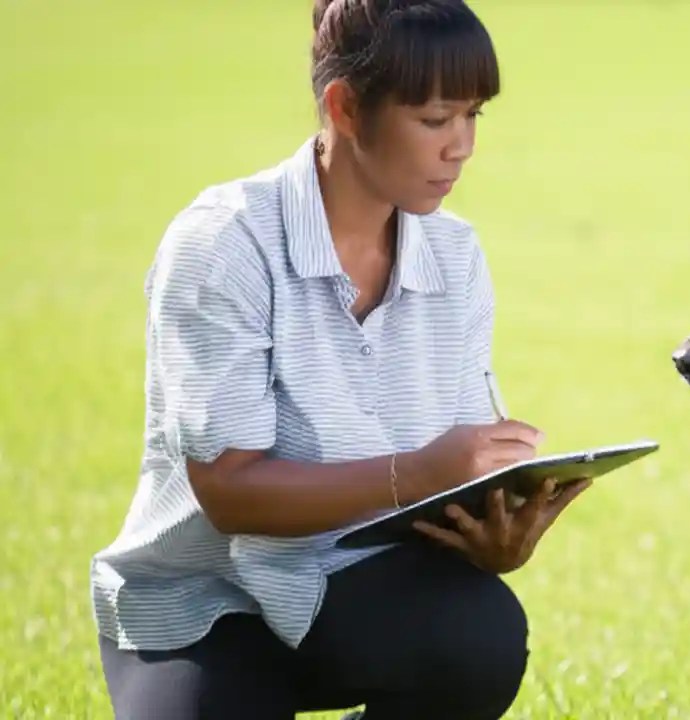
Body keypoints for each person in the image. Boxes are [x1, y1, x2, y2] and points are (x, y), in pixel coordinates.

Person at [88, 1, 591, 717]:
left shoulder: (456, 254)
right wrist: (416, 473)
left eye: (474, 115)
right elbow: (229, 494)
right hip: (206, 604)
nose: (463, 146)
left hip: (356, 586)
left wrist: (494, 537)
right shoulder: (223, 243)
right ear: (346, 107)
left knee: (482, 635)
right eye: (435, 119)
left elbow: (453, 484)